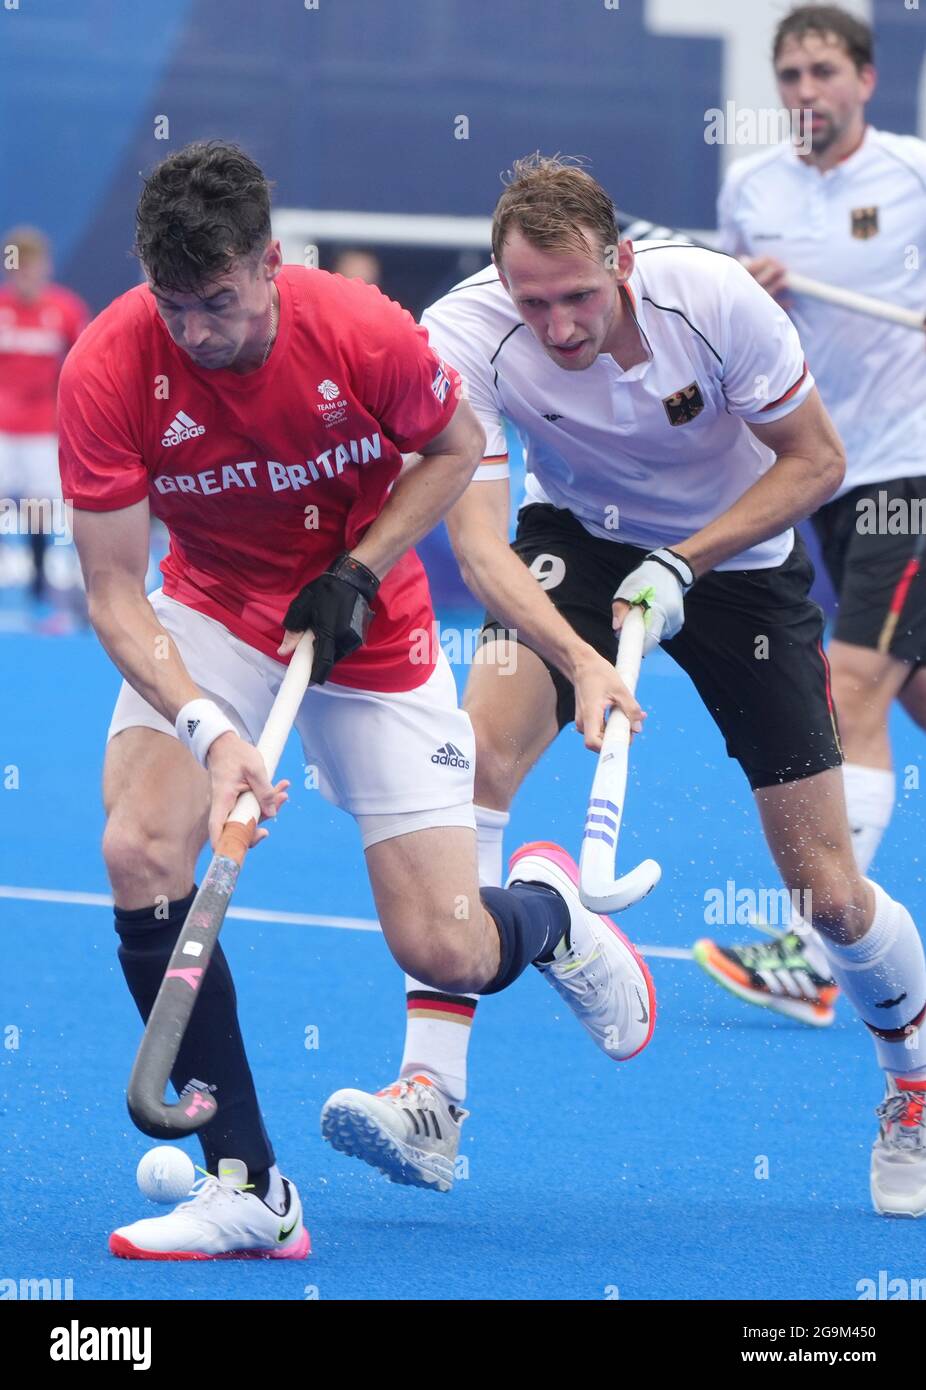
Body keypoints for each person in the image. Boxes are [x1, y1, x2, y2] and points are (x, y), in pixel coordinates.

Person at [57, 140, 654, 1260]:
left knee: (445, 947)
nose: (196, 332)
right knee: (139, 847)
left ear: (269, 262)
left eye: (220, 303)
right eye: (173, 305)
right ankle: (247, 1186)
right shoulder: (107, 365)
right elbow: (110, 593)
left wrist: (363, 565)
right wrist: (208, 727)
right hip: (215, 610)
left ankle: (549, 917)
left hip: (370, 625)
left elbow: (453, 447)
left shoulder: (362, 331)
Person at [321, 152, 926, 1217]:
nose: (554, 325)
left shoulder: (714, 301)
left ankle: (912, 1090)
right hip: (577, 543)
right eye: (531, 299)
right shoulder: (462, 336)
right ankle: (433, 1097)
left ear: (621, 263)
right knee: (471, 761)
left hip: (739, 560)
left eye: (576, 297)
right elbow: (484, 548)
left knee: (825, 892)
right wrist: (581, 657)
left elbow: (814, 462)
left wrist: (685, 561)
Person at [694, 5, 926, 1032]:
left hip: (909, 473)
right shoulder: (750, 191)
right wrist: (747, 295)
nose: (803, 92)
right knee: (913, 693)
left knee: (857, 685)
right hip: (821, 478)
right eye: (787, 75)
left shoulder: (912, 179)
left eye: (821, 71)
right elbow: (727, 335)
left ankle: (811, 952)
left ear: (864, 81)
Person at [0, 226, 88, 598]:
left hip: (42, 430)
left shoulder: (65, 310)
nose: (27, 276)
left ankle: (38, 579)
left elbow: (87, 364)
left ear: (46, 267)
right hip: (2, 429)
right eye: (20, 267)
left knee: (39, 506)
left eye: (34, 267)